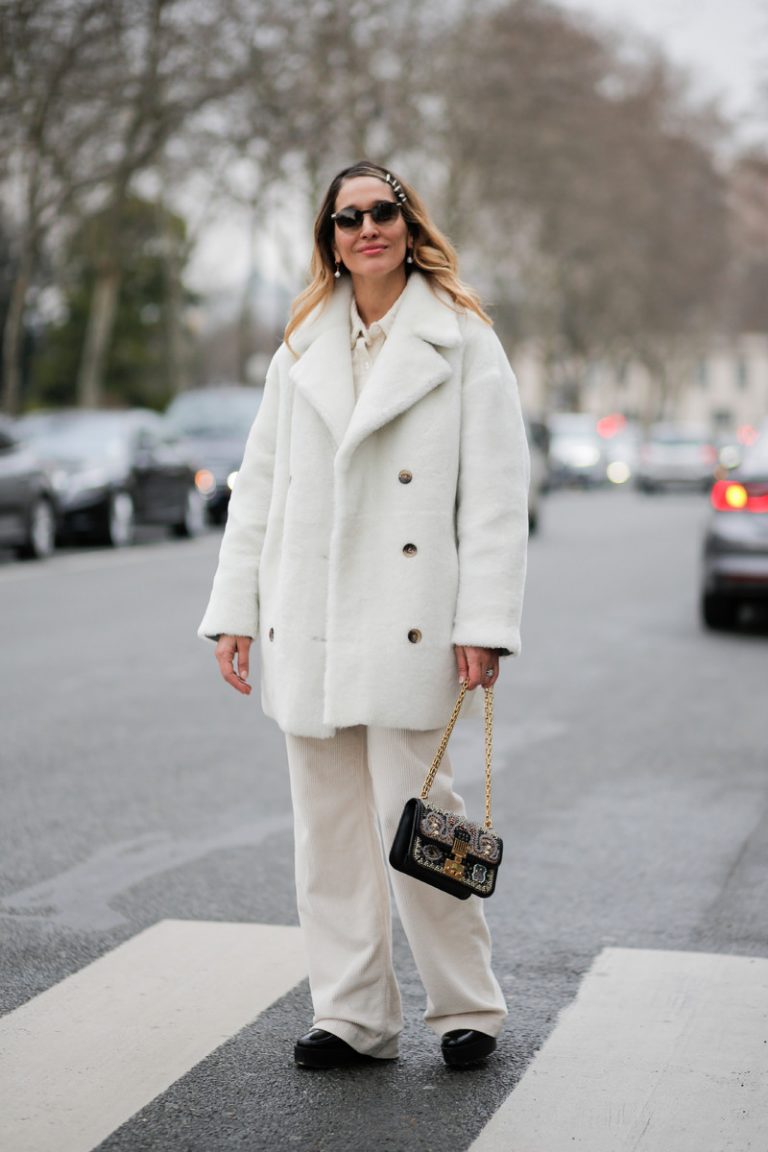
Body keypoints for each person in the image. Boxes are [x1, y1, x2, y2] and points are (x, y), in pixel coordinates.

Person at [198, 160, 529, 1070]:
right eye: (349, 218)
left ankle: (467, 1006)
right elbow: (258, 490)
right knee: (328, 833)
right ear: (331, 240)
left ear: (409, 227)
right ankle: (351, 1015)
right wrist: (234, 612)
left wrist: (484, 623)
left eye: (384, 211)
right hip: (307, 619)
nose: (368, 228)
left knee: (419, 818)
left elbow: (495, 498)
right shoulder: (301, 345)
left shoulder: (463, 340)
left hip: (411, 621)